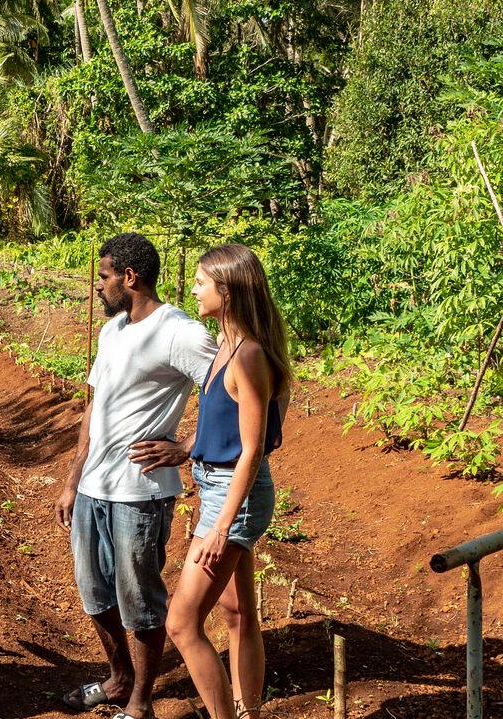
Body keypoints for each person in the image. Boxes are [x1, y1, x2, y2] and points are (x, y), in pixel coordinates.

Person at [56, 232, 218, 719]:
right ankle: (119, 676)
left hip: (139, 494)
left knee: (140, 602)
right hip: (92, 489)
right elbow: (94, 406)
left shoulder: (180, 333)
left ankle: (141, 701)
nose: (97, 288)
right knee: (94, 592)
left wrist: (187, 447)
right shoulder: (113, 331)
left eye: (103, 277)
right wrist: (72, 478)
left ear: (130, 277)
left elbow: (231, 392)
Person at [164, 243, 292, 719]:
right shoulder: (228, 344)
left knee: (181, 623)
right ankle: (248, 711)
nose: (194, 290)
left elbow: (253, 448)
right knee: (237, 615)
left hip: (231, 496)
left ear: (227, 290)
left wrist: (221, 524)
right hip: (217, 487)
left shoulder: (249, 355)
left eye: (201, 282)